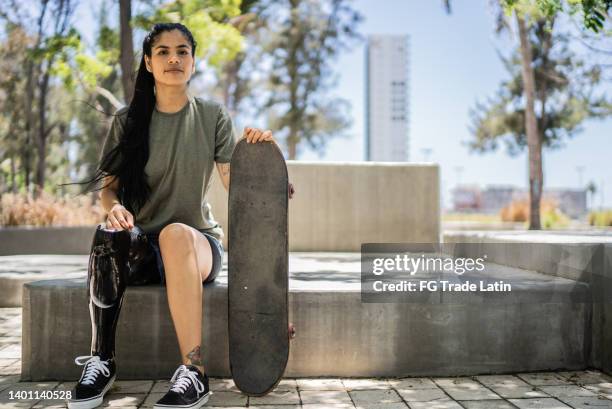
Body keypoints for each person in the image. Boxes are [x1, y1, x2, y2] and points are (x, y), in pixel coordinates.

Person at [67, 23, 294, 409]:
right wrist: (116, 208)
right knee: (108, 236)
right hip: (141, 251)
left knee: (175, 233)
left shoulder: (212, 116)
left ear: (193, 61)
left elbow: (237, 188)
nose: (174, 58)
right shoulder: (128, 121)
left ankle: (194, 372)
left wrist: (259, 157)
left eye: (182, 51)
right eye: (163, 51)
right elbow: (108, 190)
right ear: (148, 62)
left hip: (197, 246)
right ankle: (101, 361)